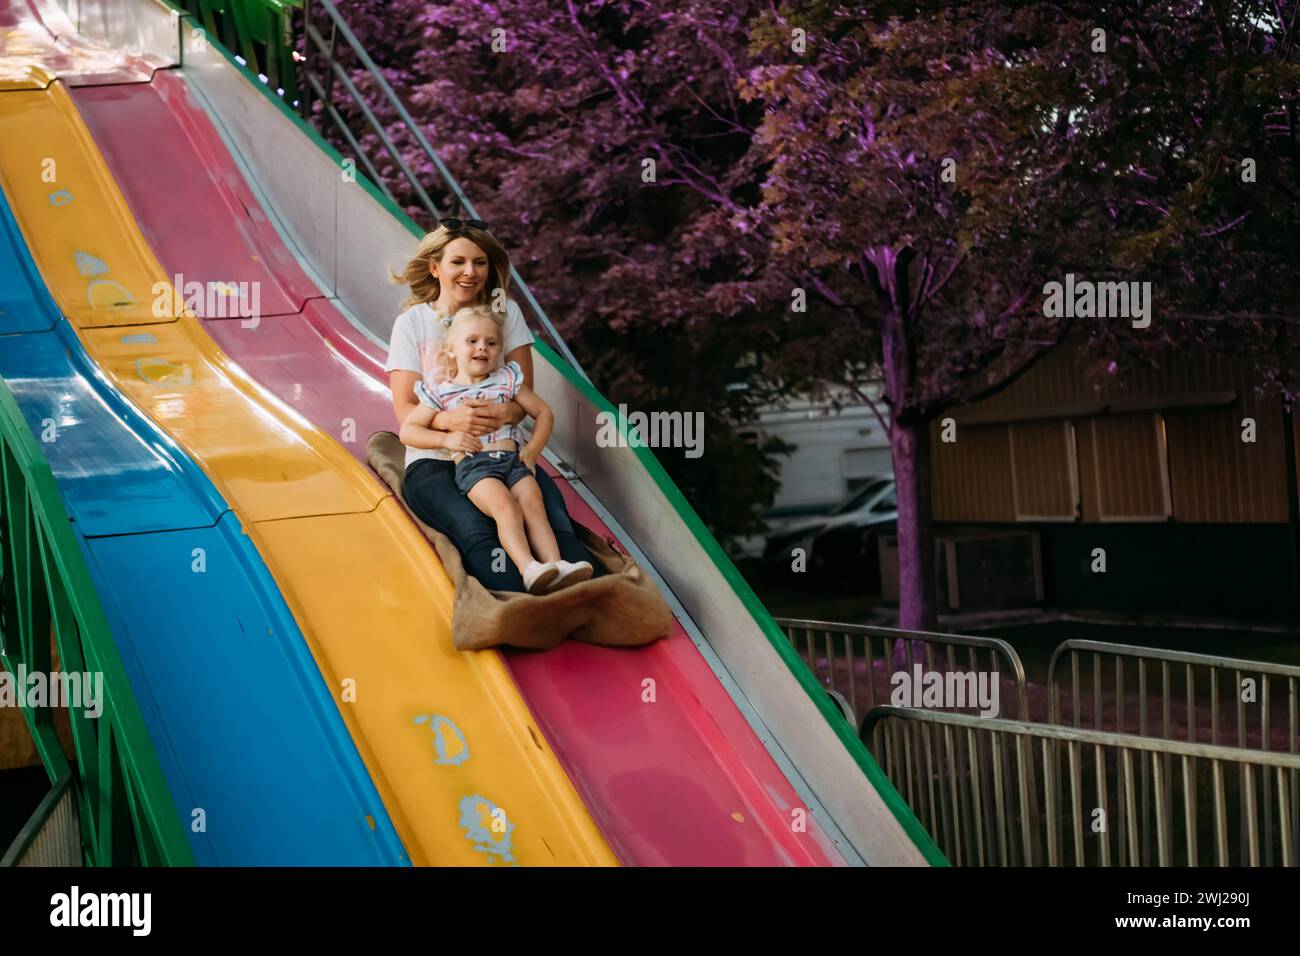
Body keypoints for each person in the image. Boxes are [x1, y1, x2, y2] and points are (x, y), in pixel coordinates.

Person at [385, 218, 599, 591]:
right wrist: (453, 424)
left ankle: (574, 586)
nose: (470, 272)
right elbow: (405, 409)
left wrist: (505, 415)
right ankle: (522, 594)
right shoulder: (412, 323)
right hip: (437, 459)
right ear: (435, 267)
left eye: (480, 262)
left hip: (503, 454)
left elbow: (523, 398)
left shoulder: (505, 313)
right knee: (477, 529)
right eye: (458, 262)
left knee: (551, 521)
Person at [401, 304, 592, 594]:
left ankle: (556, 565)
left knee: (534, 505)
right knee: (507, 509)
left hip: (513, 460)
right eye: (472, 341)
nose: (482, 348)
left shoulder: (507, 380)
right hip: (475, 466)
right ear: (451, 349)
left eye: (492, 343)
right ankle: (528, 568)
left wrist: (532, 452)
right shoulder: (440, 392)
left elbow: (544, 413)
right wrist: (447, 440)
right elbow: (408, 431)